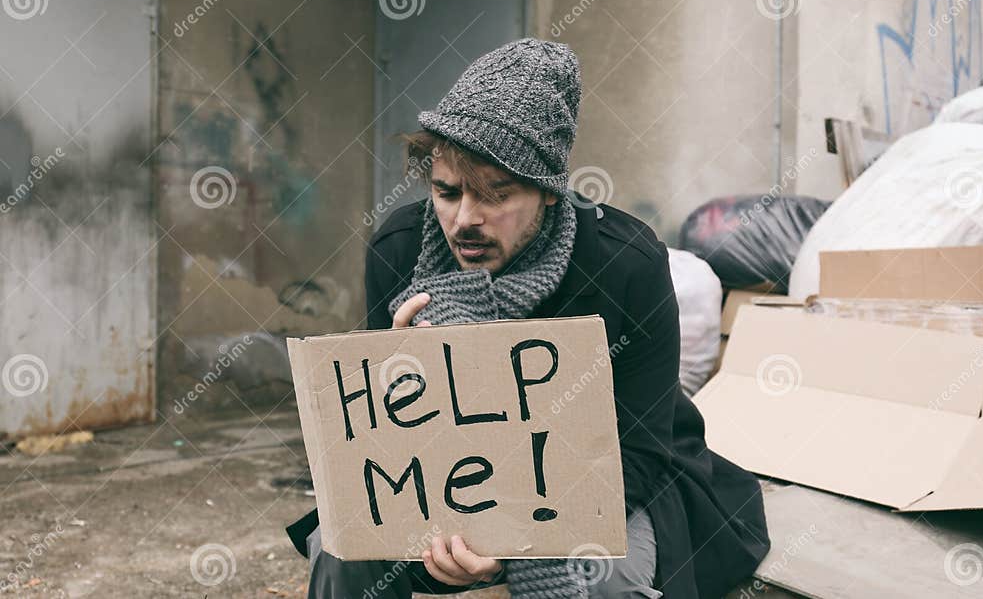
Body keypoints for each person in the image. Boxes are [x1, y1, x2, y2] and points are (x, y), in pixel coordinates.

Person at [286, 38, 769, 598]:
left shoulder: (624, 264)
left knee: (606, 577)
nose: (465, 219)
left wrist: (509, 539)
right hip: (442, 481)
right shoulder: (398, 249)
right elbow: (375, 446)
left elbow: (637, 452)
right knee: (340, 549)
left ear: (549, 194)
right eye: (446, 192)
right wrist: (397, 373)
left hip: (593, 482)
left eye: (496, 196)